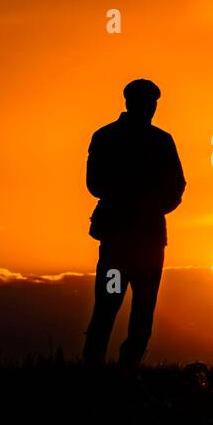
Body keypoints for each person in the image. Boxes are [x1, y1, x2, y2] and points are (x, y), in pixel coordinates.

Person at [82, 79, 185, 366]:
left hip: (146, 237)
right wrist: (143, 202)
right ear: (129, 102)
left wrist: (154, 208)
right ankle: (95, 369)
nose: (150, 108)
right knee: (110, 305)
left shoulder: (159, 140)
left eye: (152, 103)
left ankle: (124, 369)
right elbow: (95, 183)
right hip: (120, 237)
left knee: (141, 308)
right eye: (145, 102)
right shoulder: (107, 137)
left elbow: (177, 185)